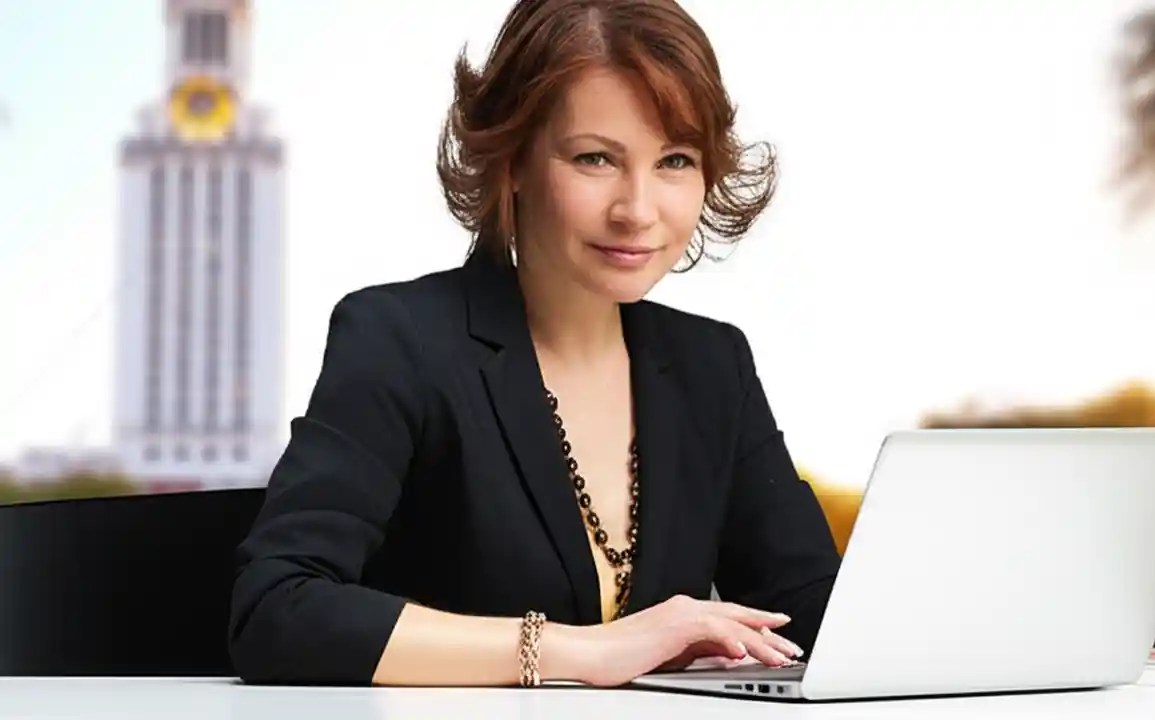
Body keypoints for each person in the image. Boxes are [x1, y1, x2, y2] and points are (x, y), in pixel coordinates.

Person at [227, 0, 840, 688]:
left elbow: (817, 618)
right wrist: (582, 651)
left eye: (674, 159)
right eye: (595, 158)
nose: (637, 209)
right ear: (513, 160)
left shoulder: (711, 365)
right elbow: (278, 611)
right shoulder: (399, 339)